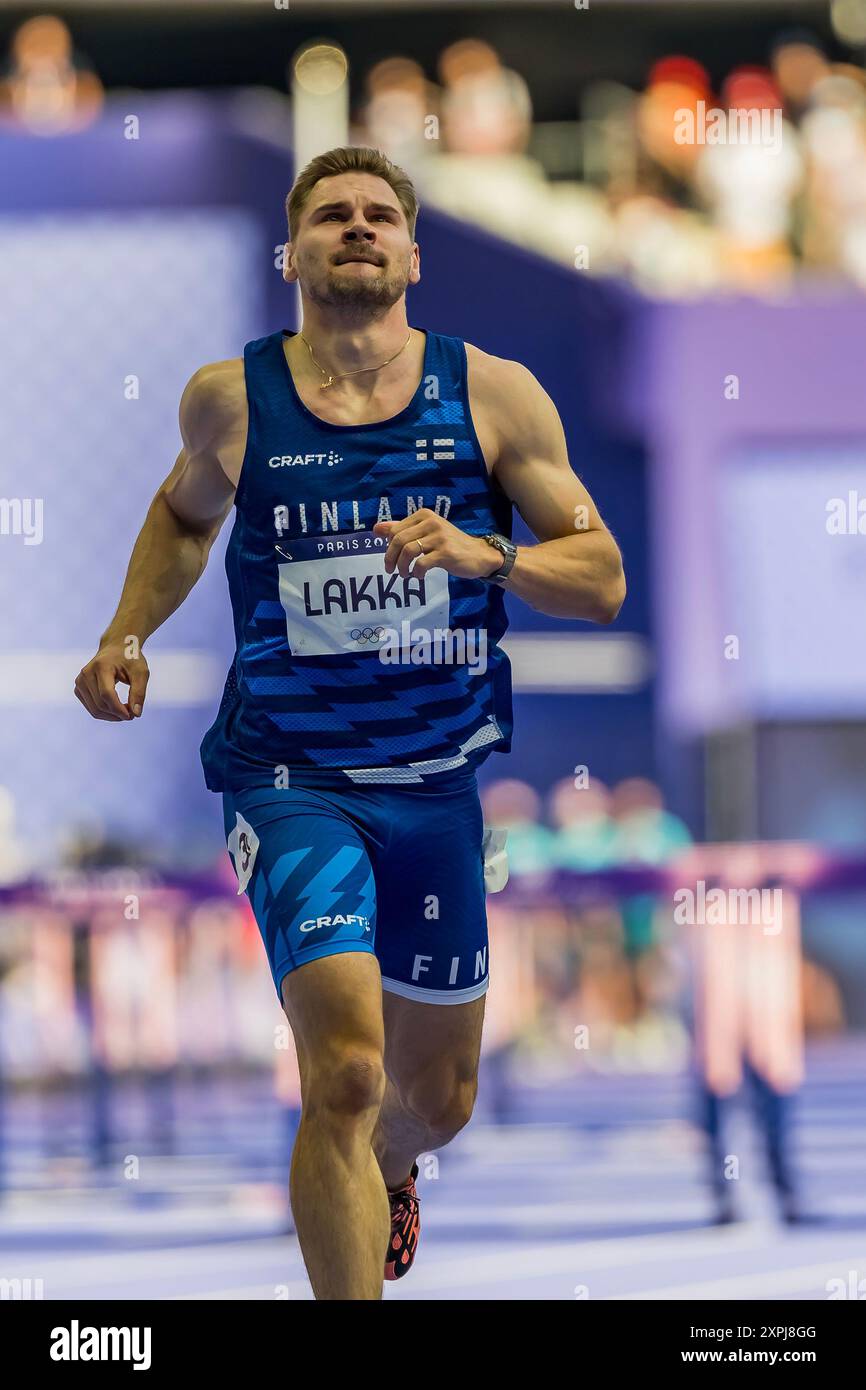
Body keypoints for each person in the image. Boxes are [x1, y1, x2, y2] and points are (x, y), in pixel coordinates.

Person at [74, 145, 626, 1300]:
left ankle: (391, 1170)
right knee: (344, 1074)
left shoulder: (492, 393)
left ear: (415, 253)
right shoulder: (231, 398)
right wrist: (128, 628)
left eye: (381, 215)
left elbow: (602, 575)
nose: (358, 228)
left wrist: (491, 553)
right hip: (291, 776)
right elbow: (183, 520)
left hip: (434, 785)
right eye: (332, 215)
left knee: (437, 1100)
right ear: (295, 251)